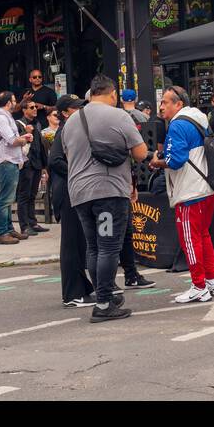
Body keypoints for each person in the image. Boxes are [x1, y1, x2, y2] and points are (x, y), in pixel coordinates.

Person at [63, 75, 149, 322]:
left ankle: (106, 295)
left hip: (80, 193)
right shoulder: (119, 116)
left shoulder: (72, 121)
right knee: (109, 246)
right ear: (113, 94)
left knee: (94, 246)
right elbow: (141, 153)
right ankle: (103, 303)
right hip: (107, 193)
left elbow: (69, 156)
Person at [150, 85, 214, 303]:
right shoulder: (199, 119)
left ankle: (199, 285)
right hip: (207, 187)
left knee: (190, 240)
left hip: (190, 191)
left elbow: (176, 161)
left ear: (178, 104)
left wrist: (157, 162)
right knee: (203, 235)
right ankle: (212, 280)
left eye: (165, 102)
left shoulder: (177, 125)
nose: (161, 106)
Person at [48, 96, 95, 307]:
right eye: (76, 108)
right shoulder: (65, 129)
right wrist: (77, 171)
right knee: (71, 244)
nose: (80, 111)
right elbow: (55, 160)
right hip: (66, 192)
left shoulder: (73, 128)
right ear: (65, 112)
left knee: (79, 243)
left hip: (74, 190)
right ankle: (72, 294)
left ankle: (82, 287)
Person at [0, 91, 33, 245]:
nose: (16, 103)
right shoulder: (1, 118)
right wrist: (25, 139)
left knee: (8, 198)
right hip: (4, 161)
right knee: (5, 199)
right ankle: (2, 232)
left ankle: (9, 229)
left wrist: (22, 139)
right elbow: (11, 140)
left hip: (9, 161)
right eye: (14, 101)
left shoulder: (6, 116)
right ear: (8, 103)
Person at [15, 98, 49, 237]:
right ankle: (24, 226)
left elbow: (40, 146)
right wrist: (25, 132)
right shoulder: (18, 124)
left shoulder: (37, 124)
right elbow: (14, 142)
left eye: (35, 106)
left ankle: (32, 222)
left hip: (36, 163)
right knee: (24, 195)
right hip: (26, 163)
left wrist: (43, 166)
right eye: (31, 107)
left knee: (33, 194)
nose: (35, 109)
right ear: (24, 110)